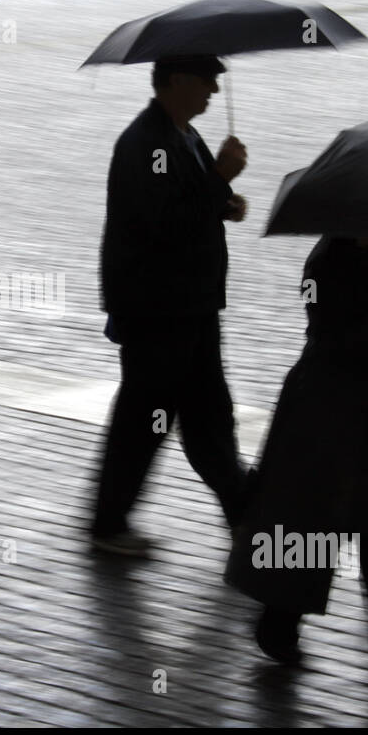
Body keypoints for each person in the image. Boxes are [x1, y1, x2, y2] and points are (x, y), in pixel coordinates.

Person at [226, 234, 368, 697]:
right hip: (328, 415)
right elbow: (335, 342)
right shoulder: (326, 262)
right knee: (316, 529)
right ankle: (279, 620)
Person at [92, 55, 250, 557]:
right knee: (152, 418)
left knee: (201, 417)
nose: (214, 93)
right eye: (207, 82)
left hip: (190, 306)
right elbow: (164, 224)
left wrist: (225, 201)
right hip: (158, 308)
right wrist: (219, 179)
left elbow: (191, 204)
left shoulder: (182, 136)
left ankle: (244, 520)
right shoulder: (147, 144)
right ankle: (109, 524)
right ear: (177, 81)